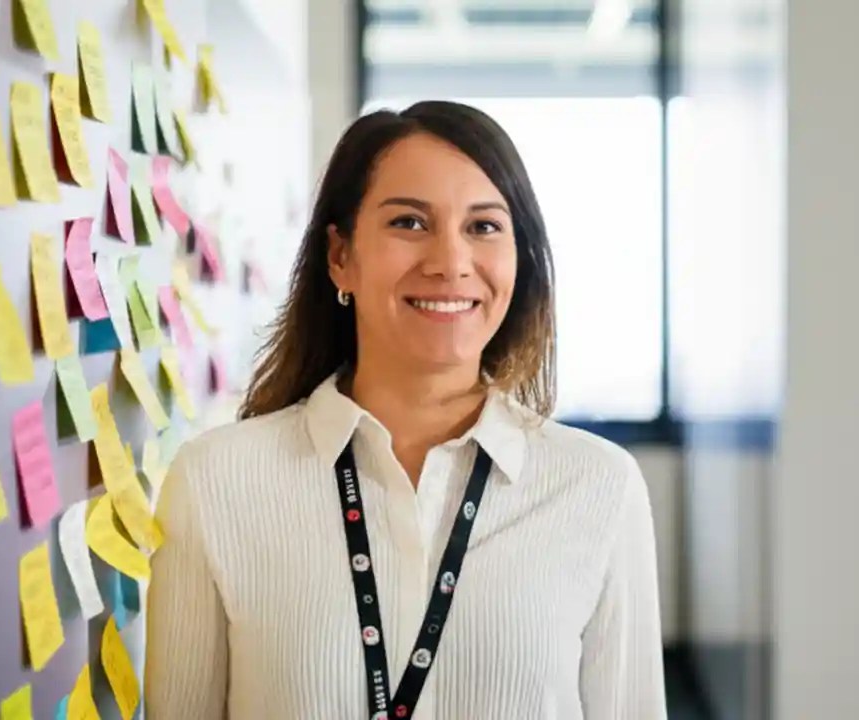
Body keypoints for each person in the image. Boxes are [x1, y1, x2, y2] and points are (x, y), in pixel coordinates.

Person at [145, 101, 667, 719]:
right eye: (410, 223)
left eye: (484, 227)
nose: (450, 262)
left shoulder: (598, 487)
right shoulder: (214, 482)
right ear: (341, 256)